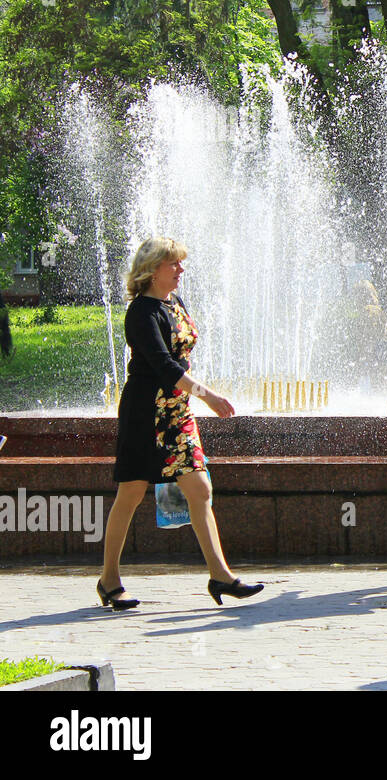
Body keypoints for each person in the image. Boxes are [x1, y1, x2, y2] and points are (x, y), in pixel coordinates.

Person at [98, 237, 263, 610]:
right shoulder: (141, 312)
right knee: (131, 493)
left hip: (176, 412)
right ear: (152, 269)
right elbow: (164, 365)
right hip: (146, 413)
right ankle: (109, 580)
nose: (181, 271)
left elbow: (181, 359)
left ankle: (220, 576)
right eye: (173, 265)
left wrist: (194, 397)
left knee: (201, 489)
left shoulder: (174, 303)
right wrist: (208, 395)